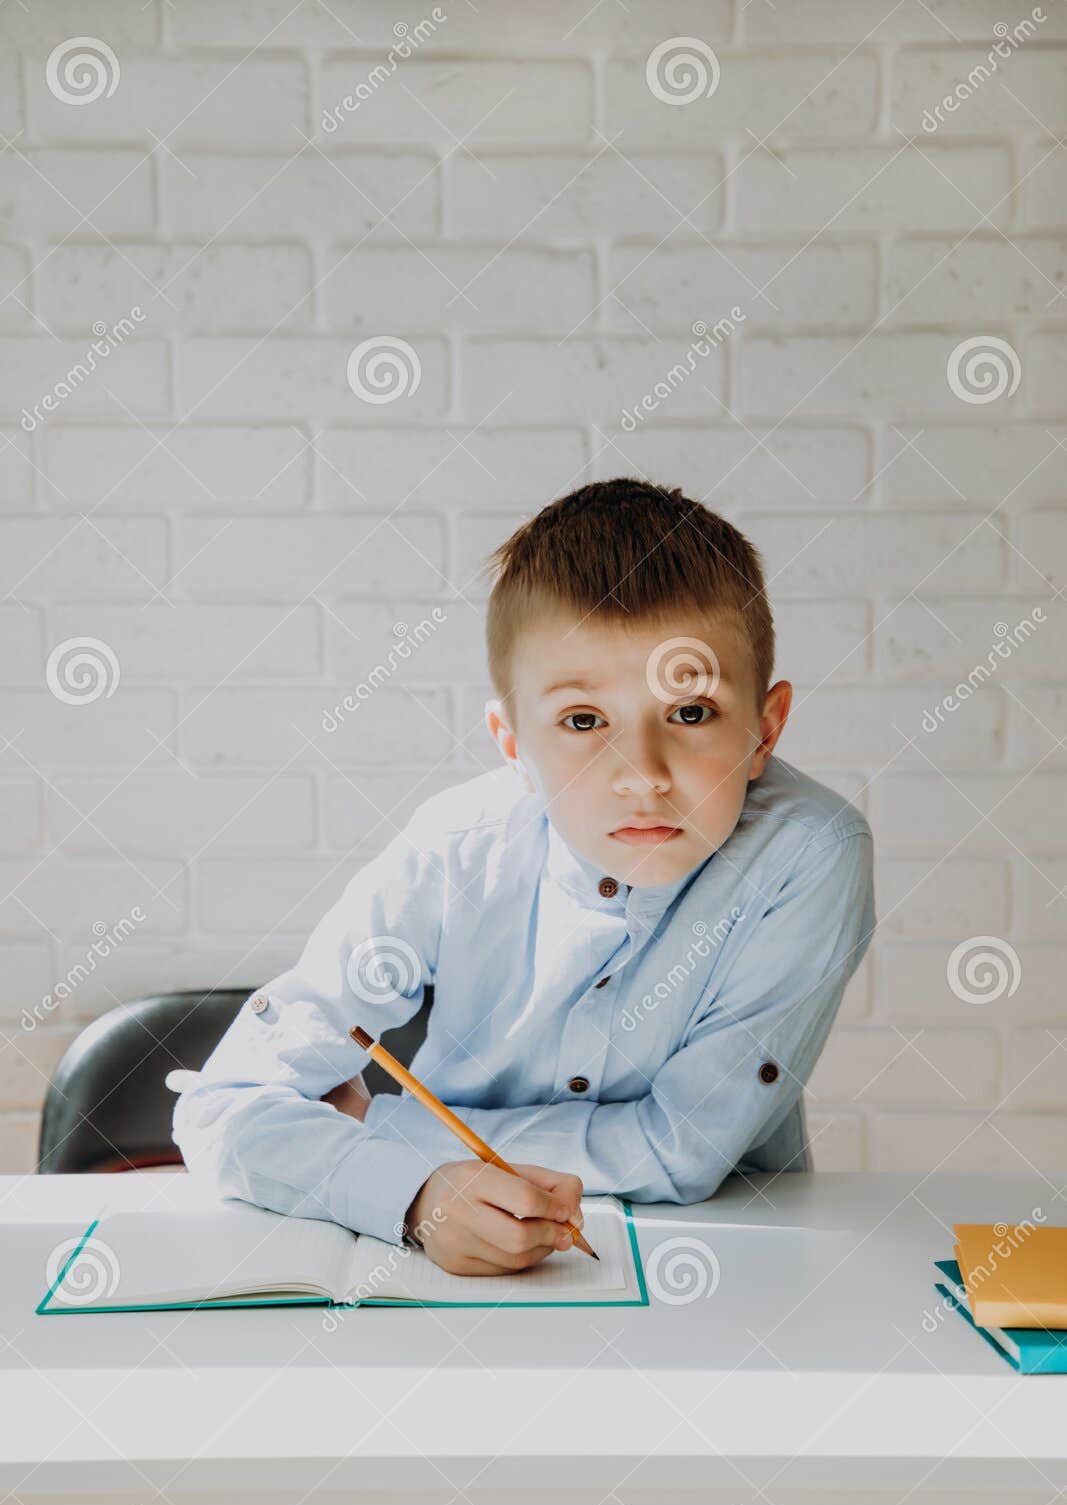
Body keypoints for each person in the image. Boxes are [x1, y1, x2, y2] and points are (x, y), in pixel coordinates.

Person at [171, 478, 875, 1275]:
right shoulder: (454, 848)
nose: (640, 775)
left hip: (729, 1263)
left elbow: (685, 1149)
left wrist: (388, 1136)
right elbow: (224, 1104)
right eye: (582, 722)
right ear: (511, 741)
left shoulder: (809, 853)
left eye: (689, 713)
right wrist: (415, 1200)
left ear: (764, 729)